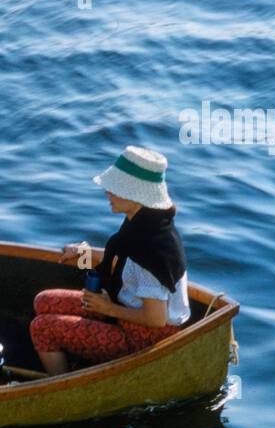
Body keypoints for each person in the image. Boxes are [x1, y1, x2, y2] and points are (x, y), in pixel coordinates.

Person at [30, 146, 190, 375]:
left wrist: (109, 308)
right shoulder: (144, 223)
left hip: (143, 337)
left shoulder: (151, 251)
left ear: (137, 196)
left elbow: (156, 319)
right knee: (42, 301)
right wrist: (81, 253)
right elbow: (121, 263)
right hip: (126, 309)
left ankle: (63, 387)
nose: (107, 192)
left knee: (42, 328)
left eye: (114, 188)